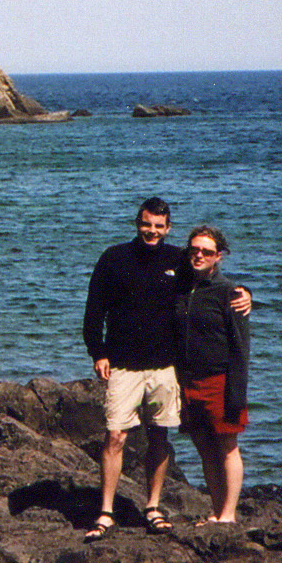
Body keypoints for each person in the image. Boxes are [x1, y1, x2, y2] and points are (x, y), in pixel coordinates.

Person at [81, 198, 250, 540]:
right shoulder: (113, 258)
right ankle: (106, 512)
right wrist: (97, 352)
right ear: (137, 222)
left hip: (165, 368)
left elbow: (214, 283)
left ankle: (153, 506)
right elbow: (94, 308)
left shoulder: (180, 259)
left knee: (160, 436)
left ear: (168, 228)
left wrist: (247, 293)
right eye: (147, 224)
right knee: (115, 436)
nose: (152, 231)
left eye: (159, 226)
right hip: (123, 365)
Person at [174, 225, 250, 524]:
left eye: (206, 251)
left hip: (220, 380)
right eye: (194, 250)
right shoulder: (181, 288)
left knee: (227, 447)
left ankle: (229, 515)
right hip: (188, 380)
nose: (199, 255)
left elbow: (241, 346)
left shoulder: (229, 292)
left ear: (218, 256)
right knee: (205, 448)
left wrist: (237, 391)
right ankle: (217, 511)